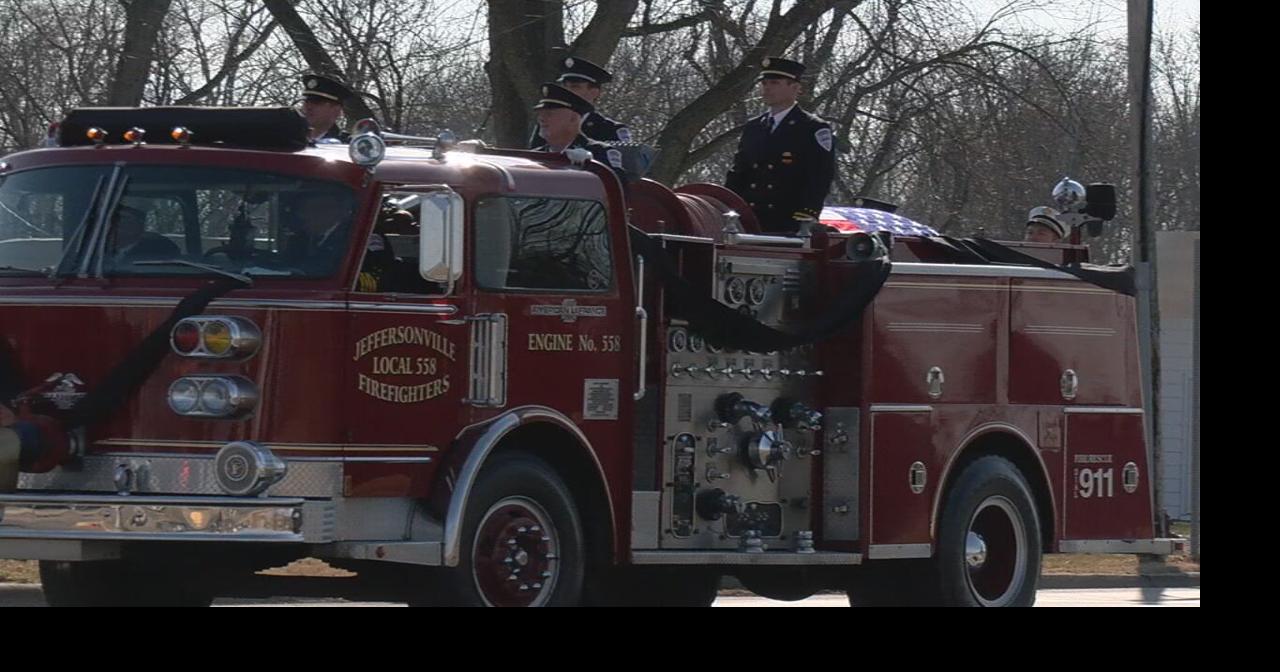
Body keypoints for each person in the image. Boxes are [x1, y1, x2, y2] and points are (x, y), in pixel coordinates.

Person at [725, 56, 836, 234]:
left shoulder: (812, 128)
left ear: (795, 88)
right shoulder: (754, 127)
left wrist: (808, 212)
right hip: (749, 220)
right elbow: (738, 172)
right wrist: (725, 204)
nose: (767, 89)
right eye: (764, 83)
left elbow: (821, 175)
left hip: (788, 221)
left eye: (775, 83)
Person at [530, 56, 631, 147]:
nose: (567, 91)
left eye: (575, 87)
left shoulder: (610, 130)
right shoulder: (550, 124)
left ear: (594, 93)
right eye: (564, 86)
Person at [300, 74, 355, 143]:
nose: (308, 107)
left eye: (316, 102)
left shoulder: (347, 145)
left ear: (336, 110)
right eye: (306, 101)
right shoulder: (286, 139)